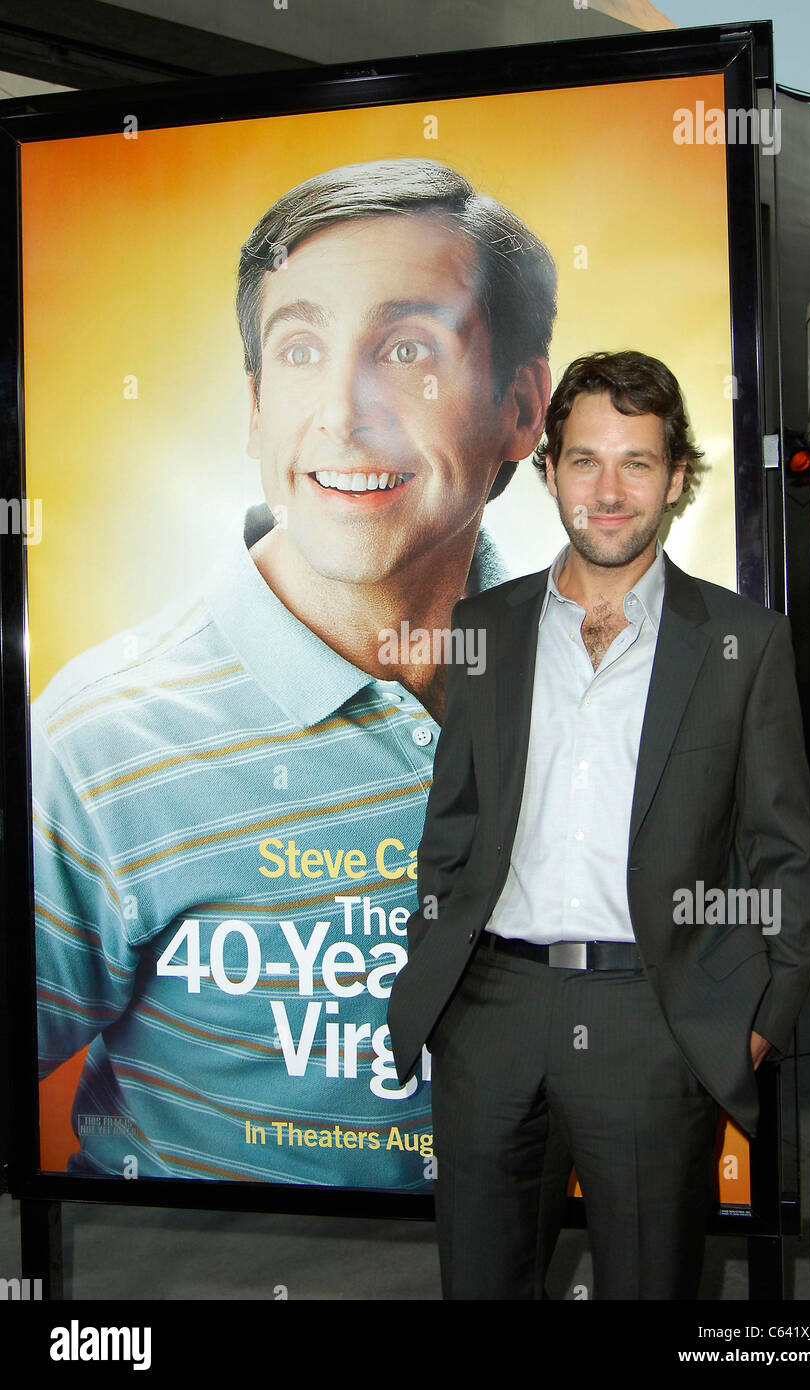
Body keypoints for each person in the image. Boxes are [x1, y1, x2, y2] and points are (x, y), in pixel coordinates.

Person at [33, 158, 555, 1185]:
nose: (343, 413)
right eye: (302, 349)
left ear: (521, 406)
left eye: (408, 348)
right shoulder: (94, 743)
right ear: (257, 406)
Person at [387, 349, 810, 1294]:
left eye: (637, 462)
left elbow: (782, 858)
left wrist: (760, 1018)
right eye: (584, 460)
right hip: (490, 1012)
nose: (610, 489)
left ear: (675, 479)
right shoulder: (485, 626)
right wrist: (447, 990)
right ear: (548, 473)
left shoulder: (741, 645)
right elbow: (451, 826)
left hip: (651, 1019)